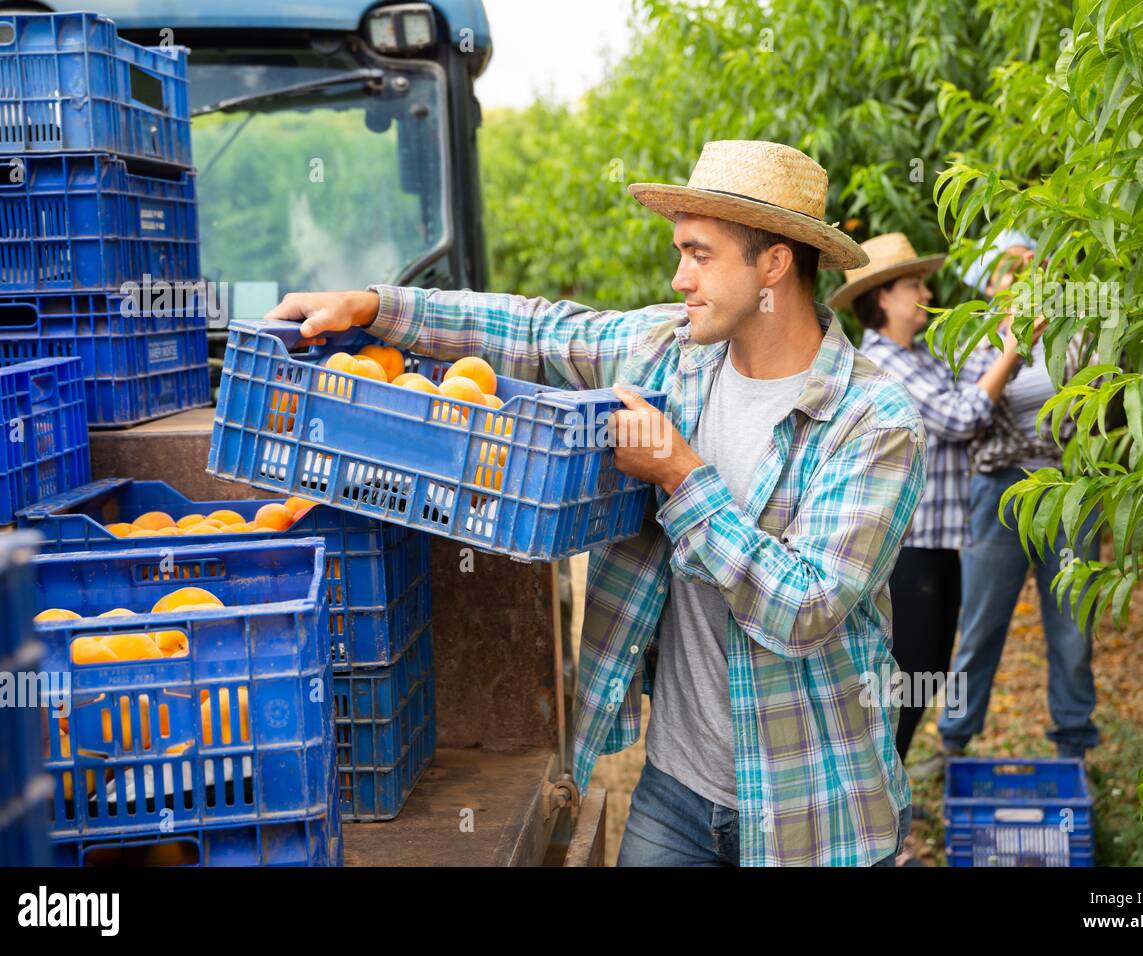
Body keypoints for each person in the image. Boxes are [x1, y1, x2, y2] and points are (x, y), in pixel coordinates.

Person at [270, 140, 926, 866]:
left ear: (772, 264)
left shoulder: (874, 419)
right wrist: (377, 306)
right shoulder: (669, 355)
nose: (680, 278)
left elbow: (806, 608)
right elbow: (535, 330)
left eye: (699, 255)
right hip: (676, 790)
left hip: (810, 810)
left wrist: (679, 473)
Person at [831, 233, 1033, 768]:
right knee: (910, 674)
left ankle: (885, 802)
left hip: (941, 540)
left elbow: (973, 381)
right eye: (913, 284)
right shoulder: (883, 364)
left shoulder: (918, 355)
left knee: (931, 671)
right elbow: (960, 417)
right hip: (909, 548)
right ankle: (876, 809)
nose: (925, 290)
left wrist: (1006, 323)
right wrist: (1011, 353)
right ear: (883, 298)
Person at [935, 230, 1100, 762]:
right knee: (981, 622)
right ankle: (955, 738)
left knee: (1073, 626)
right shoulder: (972, 342)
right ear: (988, 284)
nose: (1022, 277)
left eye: (1031, 265)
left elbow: (1101, 402)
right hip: (999, 491)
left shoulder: (1074, 332)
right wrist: (1012, 346)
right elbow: (967, 414)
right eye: (1009, 269)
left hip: (1069, 492)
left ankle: (1074, 740)